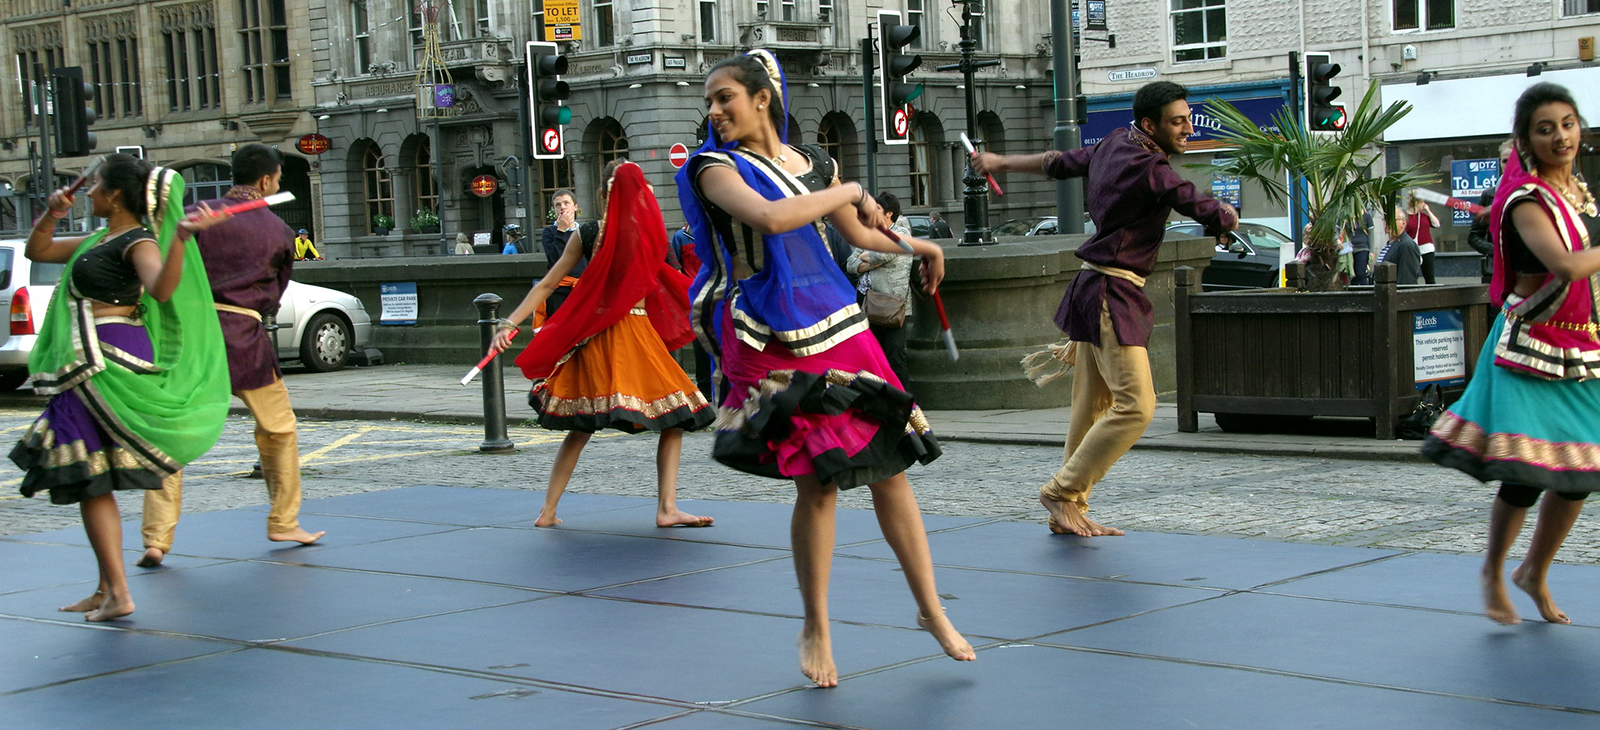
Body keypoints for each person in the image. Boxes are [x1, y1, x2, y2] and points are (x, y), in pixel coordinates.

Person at [679, 50, 974, 687]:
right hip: (769, 329)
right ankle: (816, 624)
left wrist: (919, 244)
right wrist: (851, 189)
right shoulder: (712, 167)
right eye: (708, 101)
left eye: (724, 96)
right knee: (817, 481)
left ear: (762, 97)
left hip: (837, 323)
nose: (714, 111)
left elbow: (861, 236)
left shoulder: (813, 164)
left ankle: (930, 611)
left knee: (891, 468)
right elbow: (771, 218)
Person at [973, 80, 1238, 538]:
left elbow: (1058, 163)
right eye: (1178, 121)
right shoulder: (1150, 164)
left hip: (1094, 287)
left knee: (1090, 406)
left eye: (1188, 118)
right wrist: (1225, 218)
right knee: (1137, 406)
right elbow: (1189, 198)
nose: (1188, 128)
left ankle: (1069, 504)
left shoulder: (1115, 140)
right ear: (1151, 124)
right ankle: (1061, 491)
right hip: (1111, 294)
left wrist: (999, 161)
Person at [10, 155, 232, 620]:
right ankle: (106, 588)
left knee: (90, 479)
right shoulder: (99, 238)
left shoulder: (139, 241)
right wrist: (51, 212)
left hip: (104, 361)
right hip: (88, 359)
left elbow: (163, 289)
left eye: (95, 188)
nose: (86, 194)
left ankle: (119, 594)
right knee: (95, 479)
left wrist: (183, 237)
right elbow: (38, 251)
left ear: (114, 196)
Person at [1424, 83, 1600, 626]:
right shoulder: (1524, 200)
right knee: (1525, 471)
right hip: (1529, 343)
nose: (1560, 136)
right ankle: (1494, 570)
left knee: (1581, 471)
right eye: (1545, 128)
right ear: (1525, 140)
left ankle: (1534, 571)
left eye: (1567, 123)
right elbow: (1569, 266)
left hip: (1582, 344)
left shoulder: (1580, 192)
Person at [493, 159, 714, 530]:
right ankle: (662, 507)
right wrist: (508, 322)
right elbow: (548, 284)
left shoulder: (621, 233)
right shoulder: (620, 232)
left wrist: (509, 323)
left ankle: (557, 511)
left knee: (664, 419)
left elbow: (666, 277)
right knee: (667, 416)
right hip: (621, 337)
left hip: (617, 336)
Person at [138, 144, 326, 567]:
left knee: (173, 432)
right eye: (277, 179)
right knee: (278, 429)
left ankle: (156, 537)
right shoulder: (278, 230)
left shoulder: (199, 214)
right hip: (245, 336)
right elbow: (275, 294)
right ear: (266, 181)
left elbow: (169, 263)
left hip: (192, 336)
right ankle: (284, 520)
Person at [848, 192, 915, 382]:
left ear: (889, 213)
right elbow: (850, 263)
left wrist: (868, 256)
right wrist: (869, 260)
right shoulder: (870, 232)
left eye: (877, 208)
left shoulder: (901, 233)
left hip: (892, 305)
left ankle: (906, 404)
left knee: (895, 357)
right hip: (867, 302)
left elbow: (881, 256)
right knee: (873, 358)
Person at [536, 190, 589, 326]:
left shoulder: (585, 231)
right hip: (559, 290)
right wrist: (561, 231)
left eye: (566, 203)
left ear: (575, 207)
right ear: (554, 209)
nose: (562, 207)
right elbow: (555, 261)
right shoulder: (550, 232)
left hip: (582, 289)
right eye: (558, 205)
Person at [1467, 140, 1516, 284]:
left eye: (1514, 160)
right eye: (1505, 161)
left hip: (1531, 274)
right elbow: (1474, 236)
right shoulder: (1489, 195)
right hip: (1498, 272)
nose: (1508, 165)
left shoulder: (1536, 192)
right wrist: (1495, 251)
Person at [1378, 209, 1423, 285]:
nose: (1387, 223)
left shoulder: (1407, 245)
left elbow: (1407, 280)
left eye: (1391, 219)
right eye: (1385, 220)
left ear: (1403, 223)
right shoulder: (1391, 244)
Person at [1404, 192, 1441, 284]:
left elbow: (1436, 224)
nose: (1424, 204)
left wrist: (1428, 210)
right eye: (1422, 202)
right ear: (1416, 203)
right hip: (1412, 249)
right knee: (1412, 276)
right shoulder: (1405, 217)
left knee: (1429, 276)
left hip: (1427, 249)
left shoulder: (1423, 216)